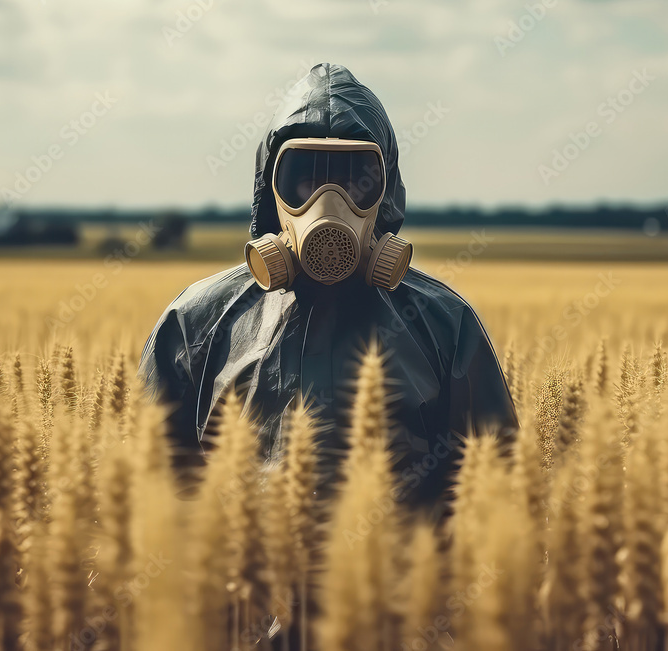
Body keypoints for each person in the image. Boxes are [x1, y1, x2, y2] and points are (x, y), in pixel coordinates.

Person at [139, 62, 518, 514]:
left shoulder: (445, 327)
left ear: (385, 190)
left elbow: (496, 500)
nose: (329, 204)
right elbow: (149, 497)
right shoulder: (196, 322)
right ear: (271, 188)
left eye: (356, 181)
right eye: (307, 179)